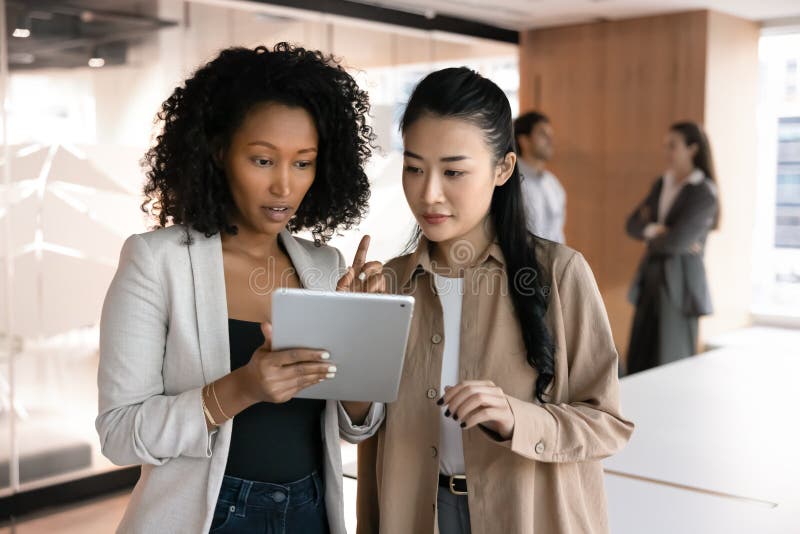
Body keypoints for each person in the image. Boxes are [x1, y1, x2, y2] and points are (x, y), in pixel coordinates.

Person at [96, 43, 384, 534]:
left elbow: (352, 426)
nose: (284, 188)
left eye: (303, 163)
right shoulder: (156, 260)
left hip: (310, 513)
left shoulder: (324, 266)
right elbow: (120, 434)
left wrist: (361, 344)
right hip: (208, 518)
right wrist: (241, 389)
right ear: (218, 152)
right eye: (262, 160)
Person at [356, 67, 633, 534]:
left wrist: (516, 418)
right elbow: (362, 426)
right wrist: (351, 345)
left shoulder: (559, 274)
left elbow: (606, 424)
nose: (429, 193)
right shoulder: (390, 283)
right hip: (416, 514)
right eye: (414, 168)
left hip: (527, 515)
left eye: (454, 171)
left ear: (503, 168)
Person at [625, 121, 720, 374]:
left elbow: (678, 240)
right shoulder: (662, 183)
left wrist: (662, 236)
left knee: (670, 361)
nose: (667, 151)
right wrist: (655, 231)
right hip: (652, 276)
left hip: (681, 284)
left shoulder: (704, 192)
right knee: (640, 357)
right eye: (665, 146)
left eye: (672, 146)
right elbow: (632, 224)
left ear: (692, 148)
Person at [513, 111, 566, 243]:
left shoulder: (553, 184)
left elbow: (558, 234)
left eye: (550, 135)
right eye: (543, 134)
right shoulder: (508, 181)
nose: (550, 140)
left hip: (552, 261)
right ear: (524, 140)